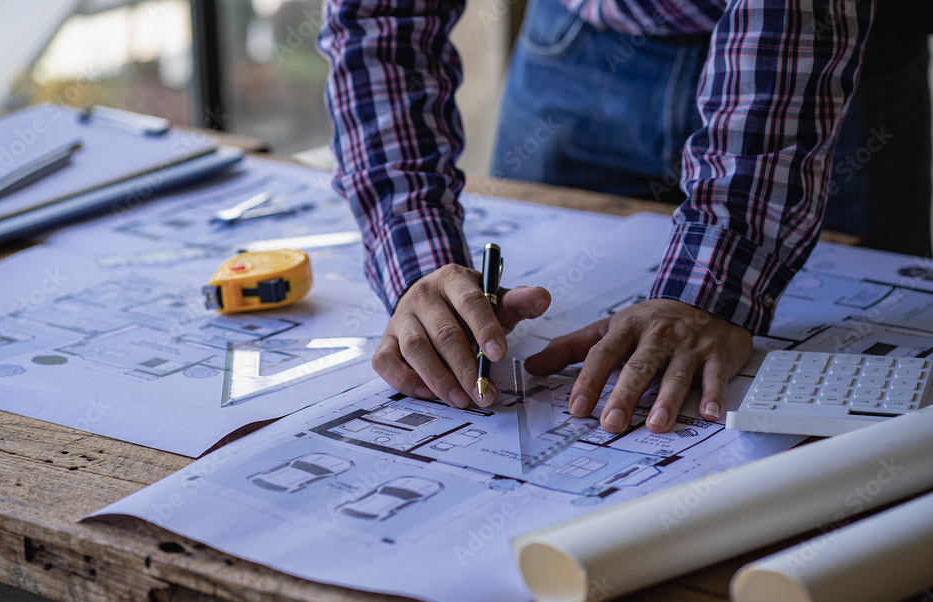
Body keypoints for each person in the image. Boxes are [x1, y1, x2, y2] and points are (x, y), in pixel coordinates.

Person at [316, 0, 932, 435]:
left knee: (873, 393)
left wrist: (709, 289)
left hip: (824, 51)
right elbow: (380, 22)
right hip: (583, 42)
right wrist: (422, 262)